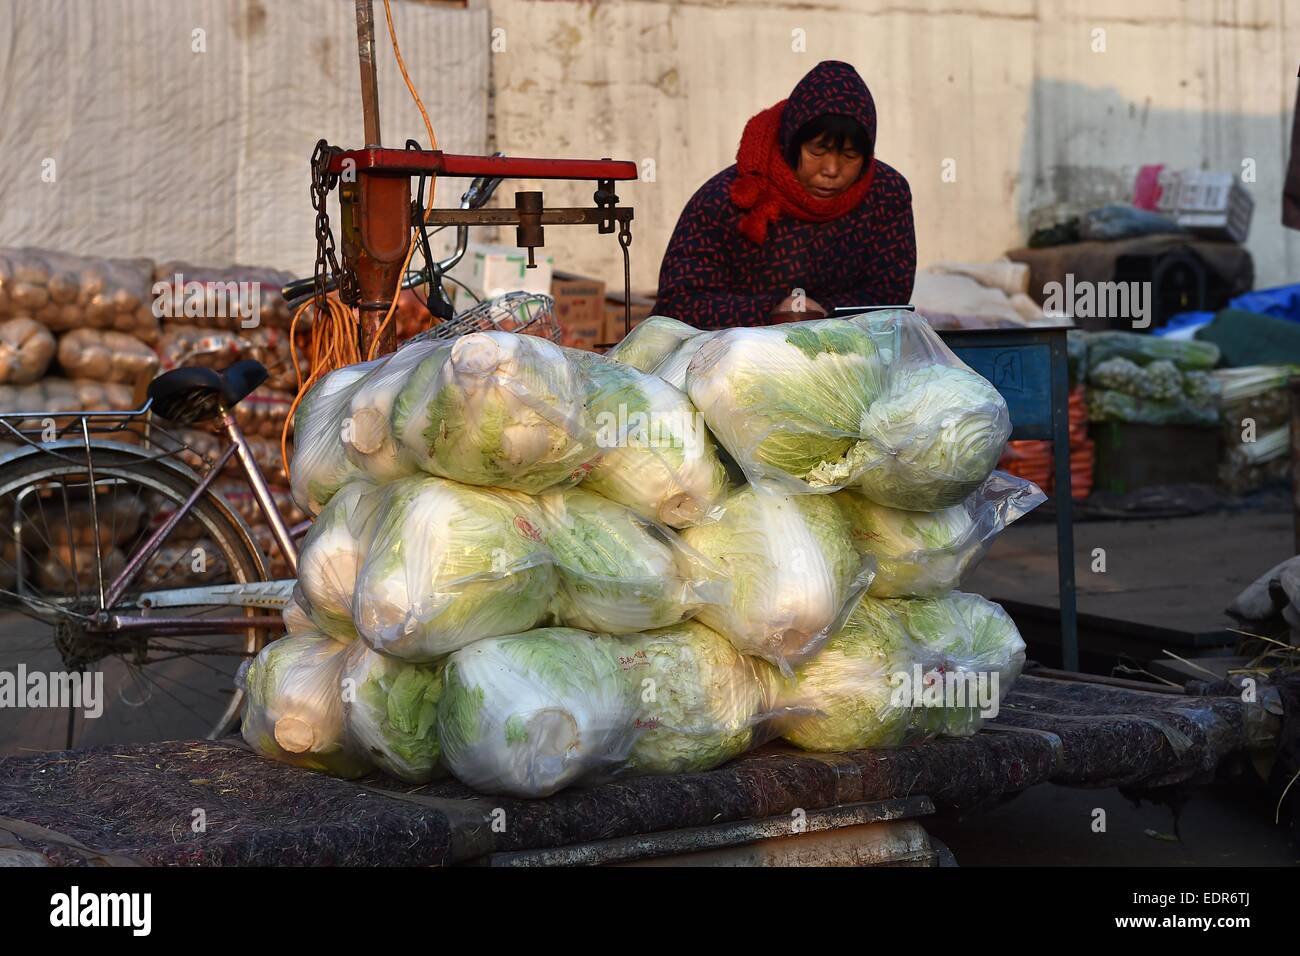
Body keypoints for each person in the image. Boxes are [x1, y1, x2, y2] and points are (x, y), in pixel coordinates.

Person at [655, 60, 915, 329]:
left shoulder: (885, 194)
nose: (831, 169)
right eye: (817, 152)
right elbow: (679, 302)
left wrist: (824, 312)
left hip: (847, 355)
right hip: (724, 355)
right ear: (792, 142)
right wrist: (773, 312)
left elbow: (890, 295)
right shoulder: (732, 197)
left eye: (850, 156)